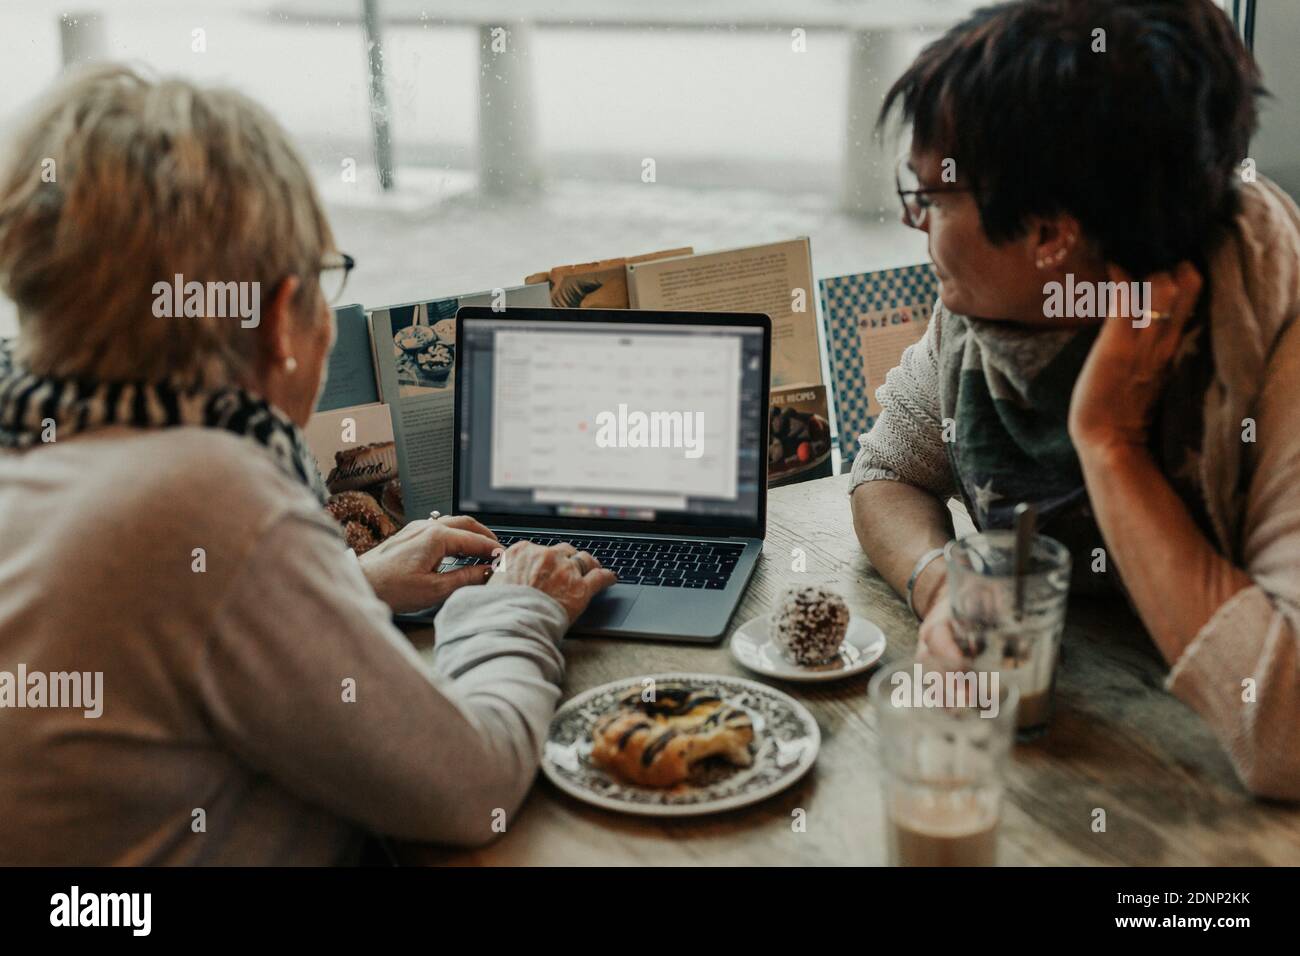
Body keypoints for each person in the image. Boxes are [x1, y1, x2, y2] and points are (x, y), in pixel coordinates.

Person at [0, 64, 615, 864]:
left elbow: (157, 649)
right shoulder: (204, 494)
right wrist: (511, 605)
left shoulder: (43, 454)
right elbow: (472, 787)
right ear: (283, 319)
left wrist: (347, 589)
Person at [851, 0, 1300, 797]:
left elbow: (1284, 734)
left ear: (1051, 236)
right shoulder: (989, 311)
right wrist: (938, 583)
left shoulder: (1272, 347)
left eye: (932, 199)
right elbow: (887, 471)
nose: (910, 220)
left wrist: (1108, 441)